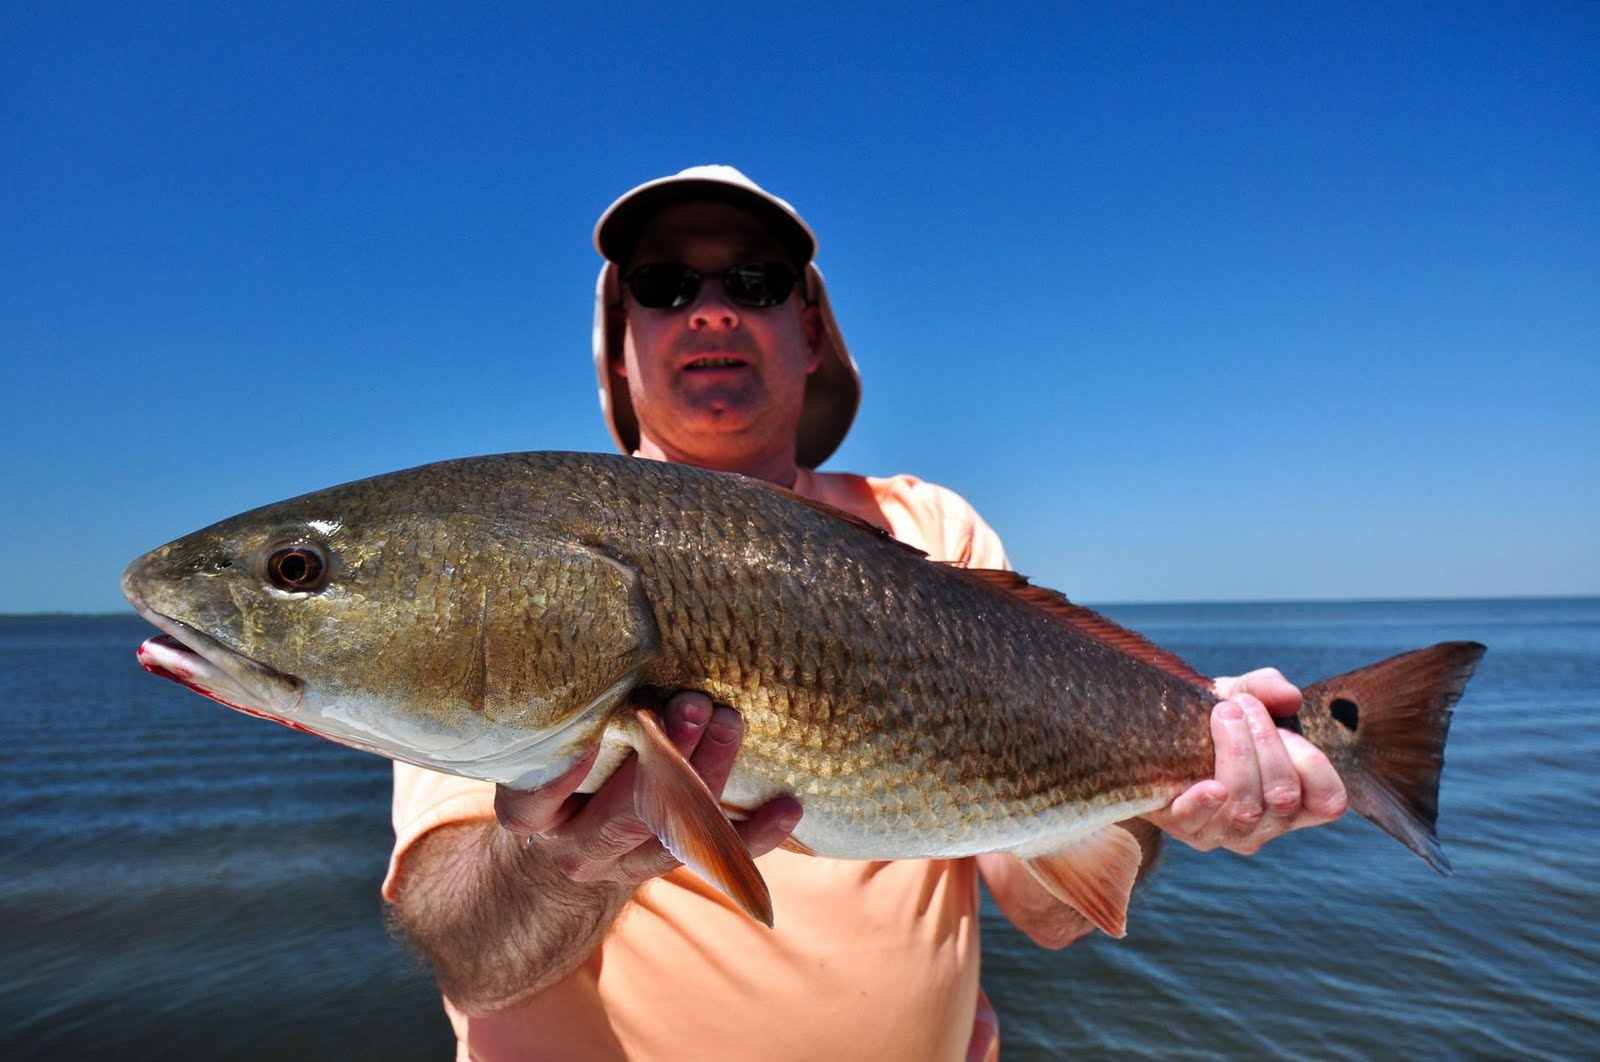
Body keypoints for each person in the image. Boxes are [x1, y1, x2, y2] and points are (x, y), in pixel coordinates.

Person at [384, 166, 1347, 1060]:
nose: (712, 309)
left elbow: (1051, 910)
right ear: (620, 338)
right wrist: (563, 866)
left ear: (810, 331)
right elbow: (472, 954)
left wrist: (1175, 795)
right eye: (665, 282)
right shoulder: (508, 554)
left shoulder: (931, 527)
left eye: (755, 280)